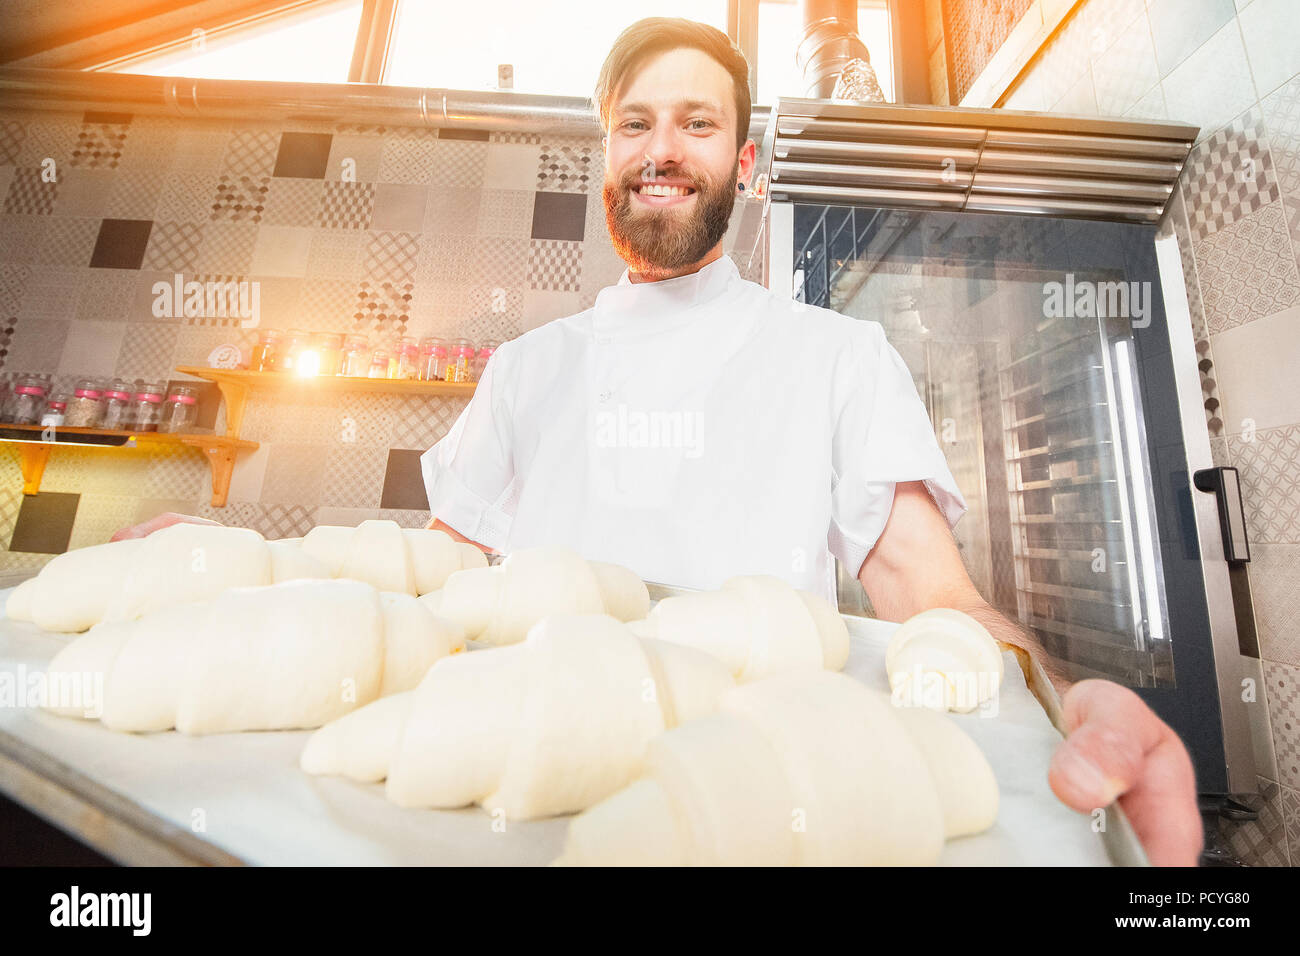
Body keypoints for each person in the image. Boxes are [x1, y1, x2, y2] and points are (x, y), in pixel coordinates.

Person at [118, 18, 1201, 865]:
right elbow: (425, 587)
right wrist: (243, 571)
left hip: (756, 806)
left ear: (744, 159)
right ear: (605, 155)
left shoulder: (838, 355)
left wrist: (1060, 696)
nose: (660, 150)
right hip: (524, 804)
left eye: (694, 122)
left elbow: (944, 609)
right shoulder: (525, 369)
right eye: (633, 123)